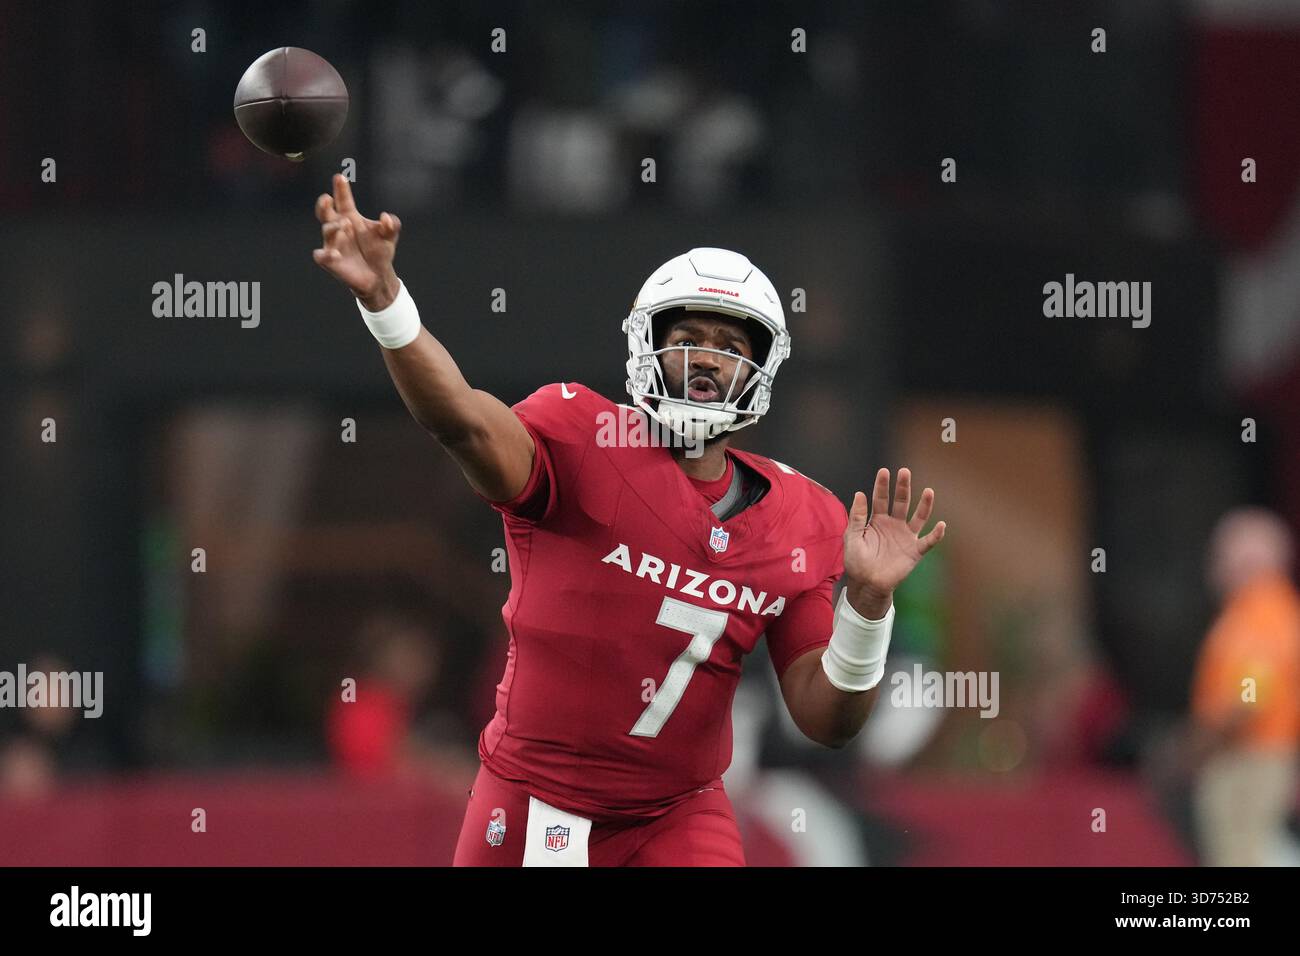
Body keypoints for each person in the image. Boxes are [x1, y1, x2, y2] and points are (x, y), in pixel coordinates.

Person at [310, 175, 946, 866]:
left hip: (675, 816)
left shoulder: (803, 518)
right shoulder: (581, 438)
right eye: (689, 337)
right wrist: (384, 301)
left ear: (760, 370)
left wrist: (869, 607)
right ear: (649, 346)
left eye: (731, 345)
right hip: (533, 797)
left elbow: (826, 722)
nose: (707, 357)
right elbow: (461, 422)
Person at [1190, 507, 1300, 866]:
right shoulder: (1267, 610)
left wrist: (1205, 739)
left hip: (1248, 759)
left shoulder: (1261, 613)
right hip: (1257, 755)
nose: (1215, 567)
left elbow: (1251, 696)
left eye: (1221, 555)